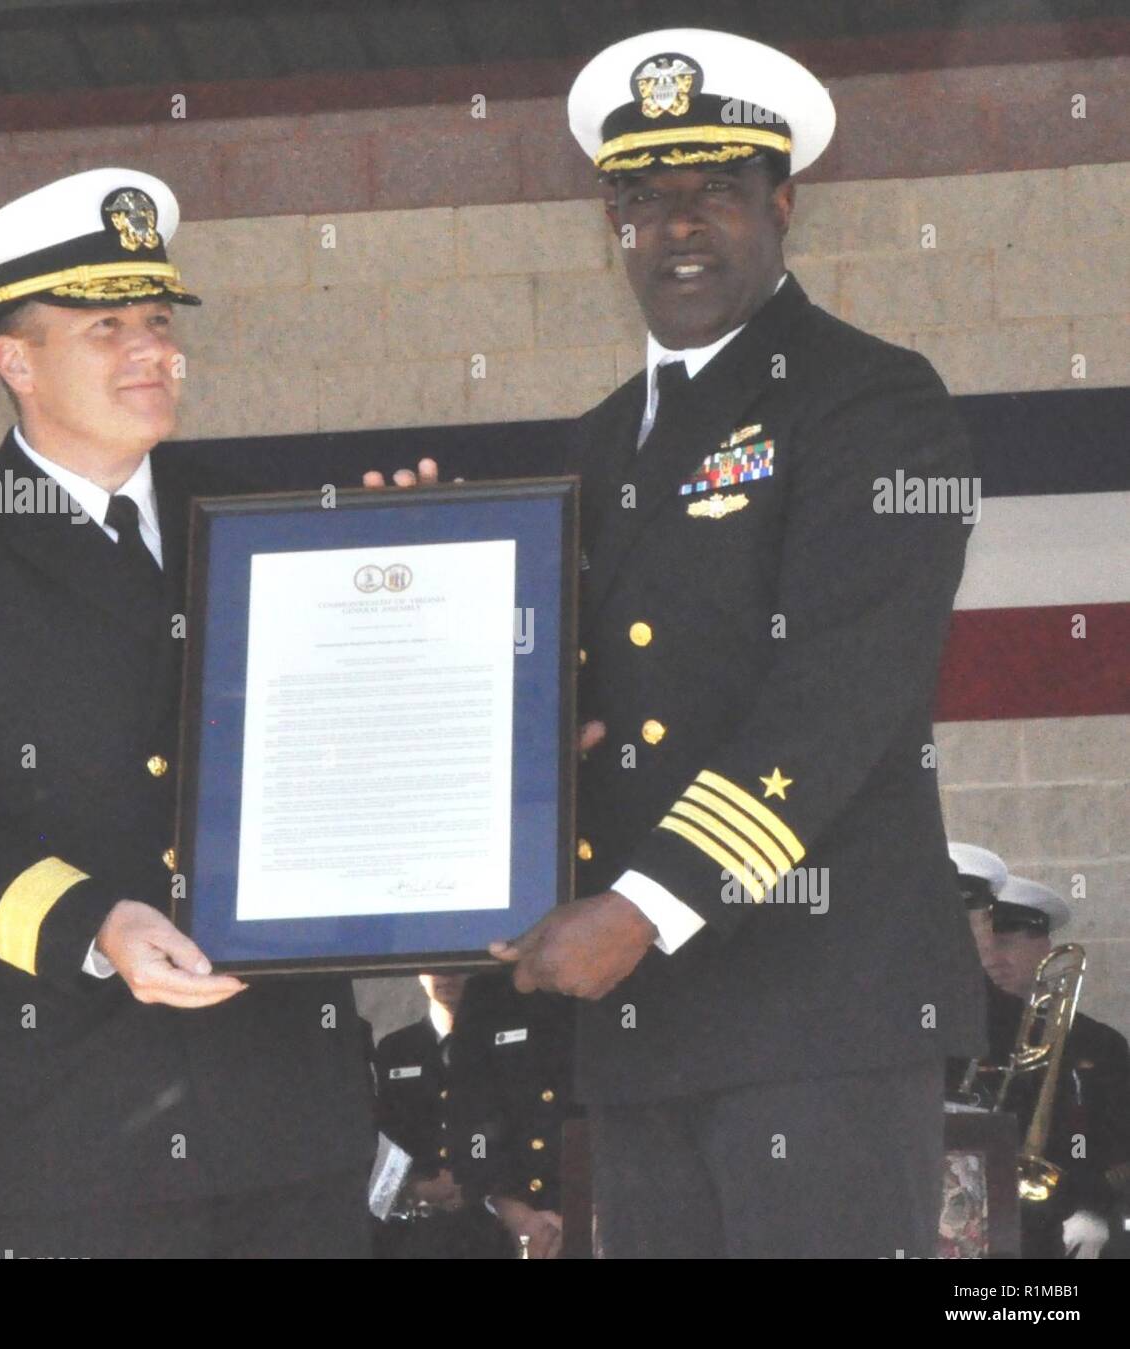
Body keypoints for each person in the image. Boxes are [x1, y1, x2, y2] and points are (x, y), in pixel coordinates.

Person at [483, 28, 985, 1257]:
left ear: (782, 201)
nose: (679, 227)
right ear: (614, 225)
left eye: (715, 189)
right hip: (645, 1020)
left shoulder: (871, 400)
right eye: (644, 200)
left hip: (818, 1010)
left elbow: (838, 695)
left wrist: (644, 905)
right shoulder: (592, 447)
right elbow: (571, 702)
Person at [0, 168, 374, 1258]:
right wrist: (92, 920)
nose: (152, 351)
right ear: (14, 360)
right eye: (106, 326)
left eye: (161, 321)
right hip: (81, 1137)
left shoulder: (263, 520)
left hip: (292, 1115)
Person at [950, 855, 1130, 1259]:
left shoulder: (1092, 1042)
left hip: (1042, 1223)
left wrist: (1091, 1206)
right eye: (986, 937)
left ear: (1044, 946)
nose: (993, 956)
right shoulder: (935, 1025)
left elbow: (1110, 1145)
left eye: (1007, 940)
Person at [372, 972, 507, 1258]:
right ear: (419, 974)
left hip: (495, 1219)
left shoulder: (501, 1043)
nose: (446, 975)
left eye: (456, 965)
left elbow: (517, 1122)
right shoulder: (396, 1049)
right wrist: (415, 1186)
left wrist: (479, 1185)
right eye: (434, 965)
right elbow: (385, 1133)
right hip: (419, 1227)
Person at [448, 972, 580, 1259]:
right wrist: (508, 1204)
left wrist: (585, 1213)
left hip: (605, 1200)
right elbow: (470, 1118)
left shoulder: (614, 979)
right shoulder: (488, 993)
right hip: (513, 1210)